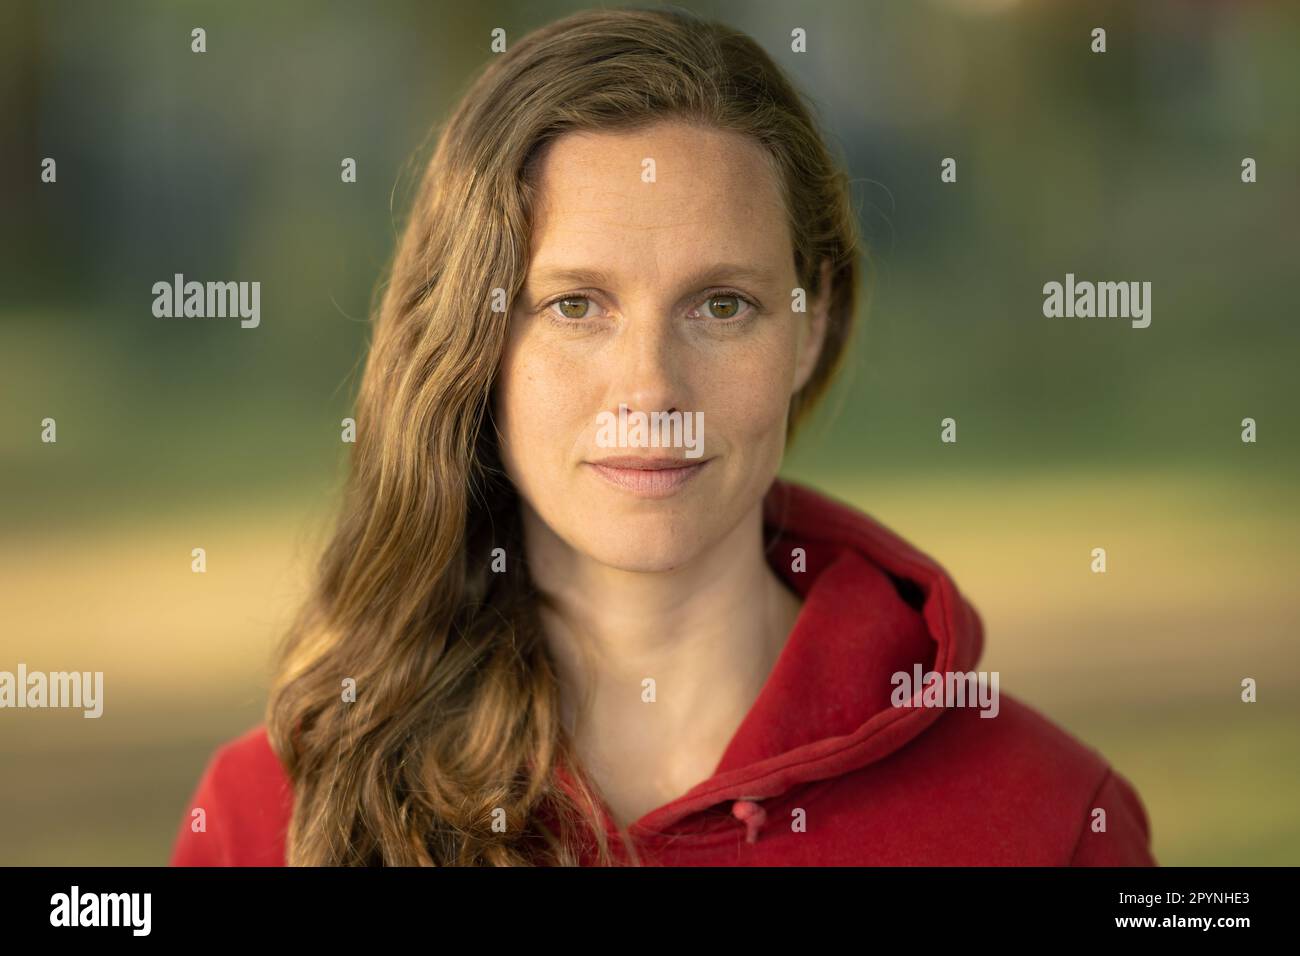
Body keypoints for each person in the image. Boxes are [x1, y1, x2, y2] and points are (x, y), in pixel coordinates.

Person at [170, 6, 1155, 866]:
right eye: (574, 305)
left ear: (811, 328)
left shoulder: (1047, 818)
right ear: (475, 341)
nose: (649, 386)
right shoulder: (275, 815)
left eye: (720, 305)